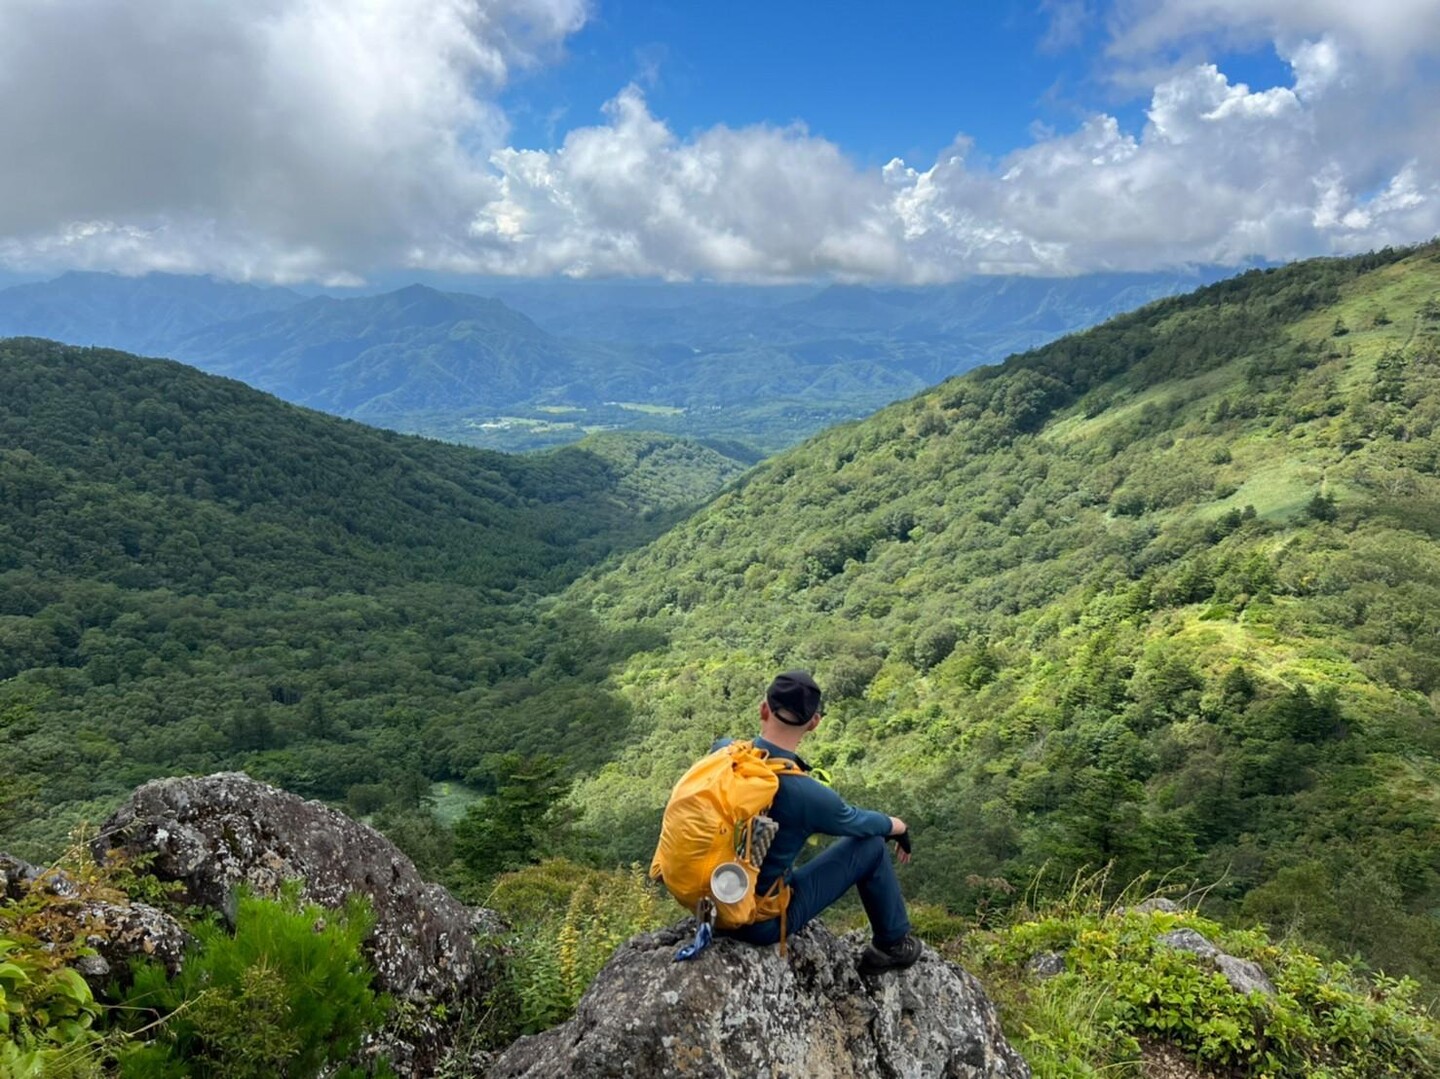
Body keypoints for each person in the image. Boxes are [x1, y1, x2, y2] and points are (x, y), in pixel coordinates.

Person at [717, 670, 921, 973]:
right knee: (873, 847)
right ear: (814, 723)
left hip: (713, 898)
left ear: (763, 709)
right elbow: (862, 824)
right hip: (757, 923)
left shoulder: (724, 752)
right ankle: (891, 945)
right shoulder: (806, 794)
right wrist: (899, 826)